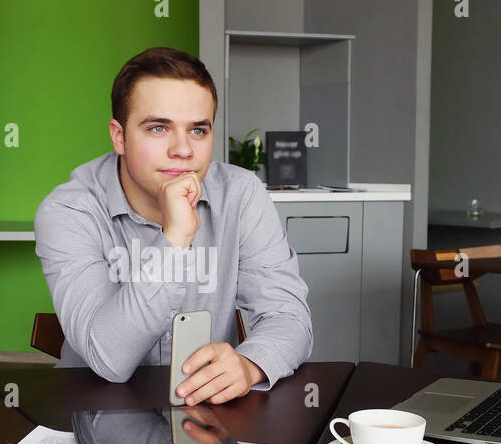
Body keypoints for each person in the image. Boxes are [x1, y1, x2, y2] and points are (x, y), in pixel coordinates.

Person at [34, 47, 312, 405]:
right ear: (119, 136)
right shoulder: (69, 209)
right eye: (159, 127)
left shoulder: (241, 195)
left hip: (206, 412)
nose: (182, 150)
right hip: (95, 407)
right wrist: (176, 237)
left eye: (198, 130)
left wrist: (249, 364)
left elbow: (288, 317)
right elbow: (109, 360)